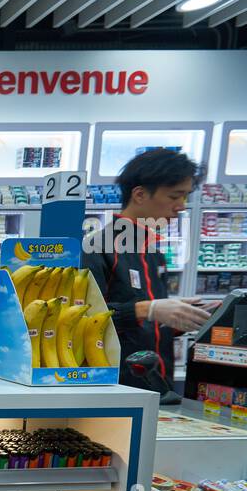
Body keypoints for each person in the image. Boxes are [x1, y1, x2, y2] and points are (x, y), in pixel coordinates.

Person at [82, 148, 216, 393]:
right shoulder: (96, 247)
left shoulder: (153, 252)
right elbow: (83, 320)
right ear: (140, 194)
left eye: (185, 197)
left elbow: (144, 326)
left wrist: (182, 316)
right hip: (116, 388)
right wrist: (149, 309)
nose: (181, 207)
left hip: (159, 387)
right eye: (175, 196)